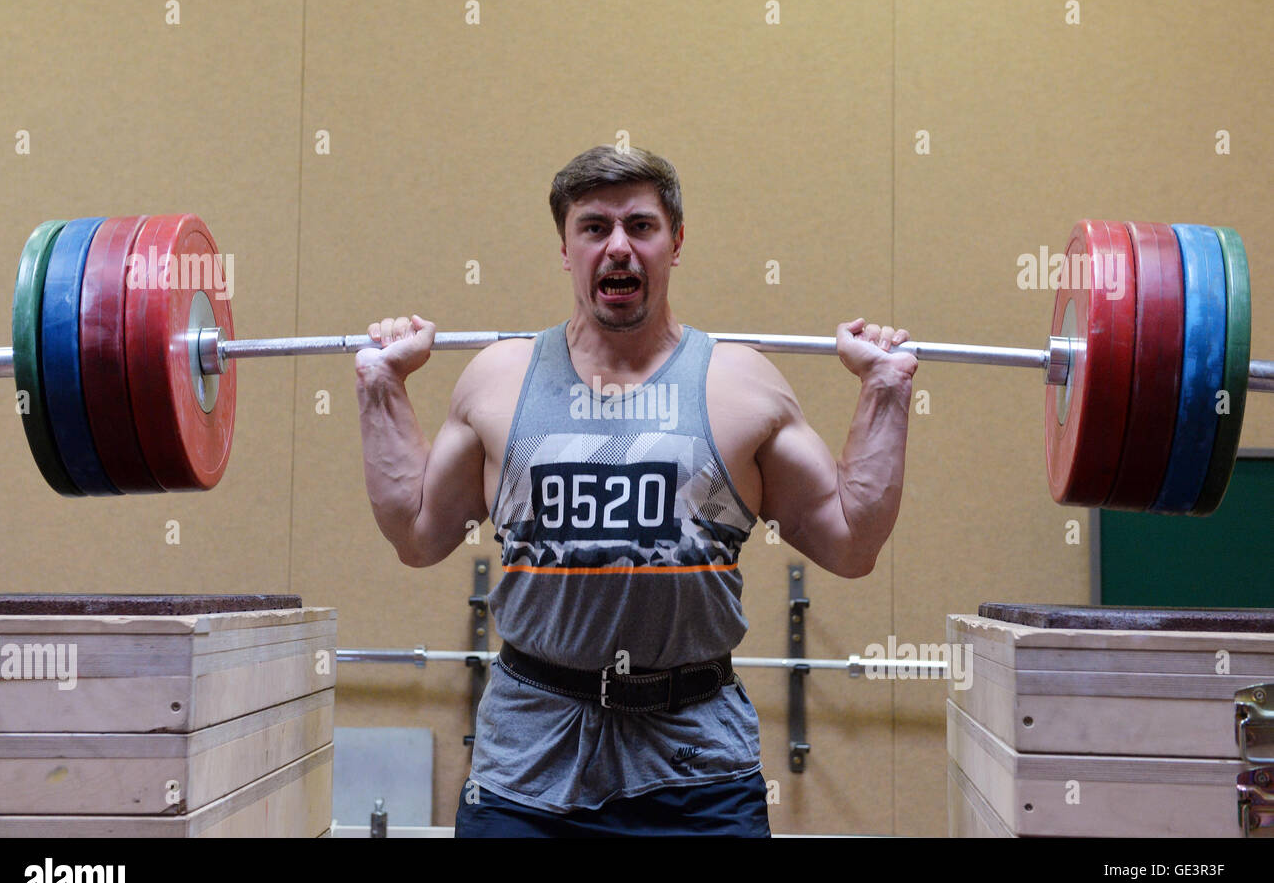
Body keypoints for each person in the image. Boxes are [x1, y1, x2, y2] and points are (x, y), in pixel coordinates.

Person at [355, 145, 917, 837]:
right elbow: (417, 534)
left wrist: (886, 392)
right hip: (528, 767)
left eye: (640, 226)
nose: (618, 247)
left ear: (675, 242)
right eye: (594, 227)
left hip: (697, 771)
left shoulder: (740, 384)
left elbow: (853, 543)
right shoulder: (499, 379)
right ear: (565, 247)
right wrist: (381, 386)